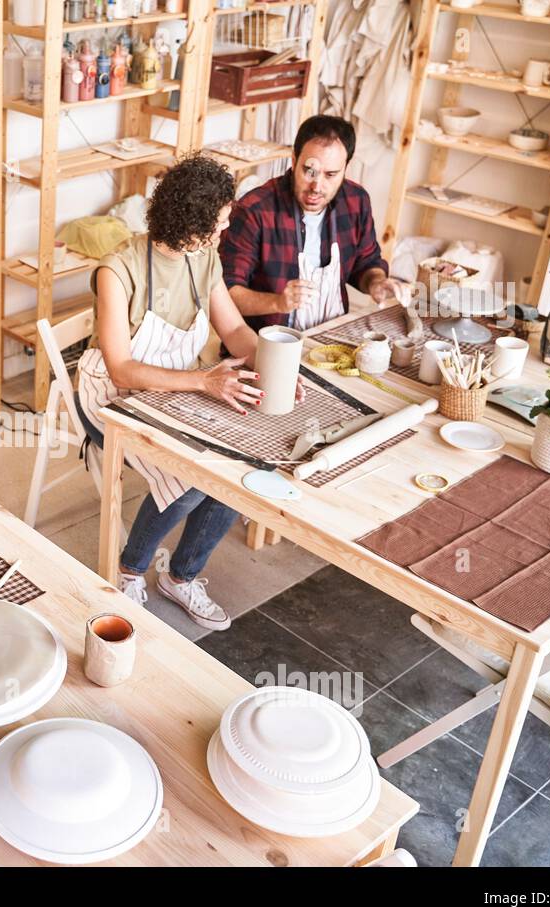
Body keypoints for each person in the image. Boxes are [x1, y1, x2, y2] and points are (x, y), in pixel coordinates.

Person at [75, 155, 301, 632]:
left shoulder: (203, 258)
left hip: (176, 385)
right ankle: (130, 569)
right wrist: (204, 381)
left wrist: (273, 367)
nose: (224, 233)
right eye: (218, 225)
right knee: (189, 475)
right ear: (190, 223)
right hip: (113, 395)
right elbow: (121, 368)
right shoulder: (117, 270)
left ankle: (182, 575)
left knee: (243, 465)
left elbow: (236, 330)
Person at [221, 115, 407, 331]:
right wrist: (278, 303)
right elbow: (227, 294)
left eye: (331, 174)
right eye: (309, 172)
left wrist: (376, 283)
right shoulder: (255, 210)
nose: (317, 186)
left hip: (331, 337)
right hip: (267, 343)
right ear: (294, 160)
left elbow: (366, 263)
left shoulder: (356, 201)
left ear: (345, 168)